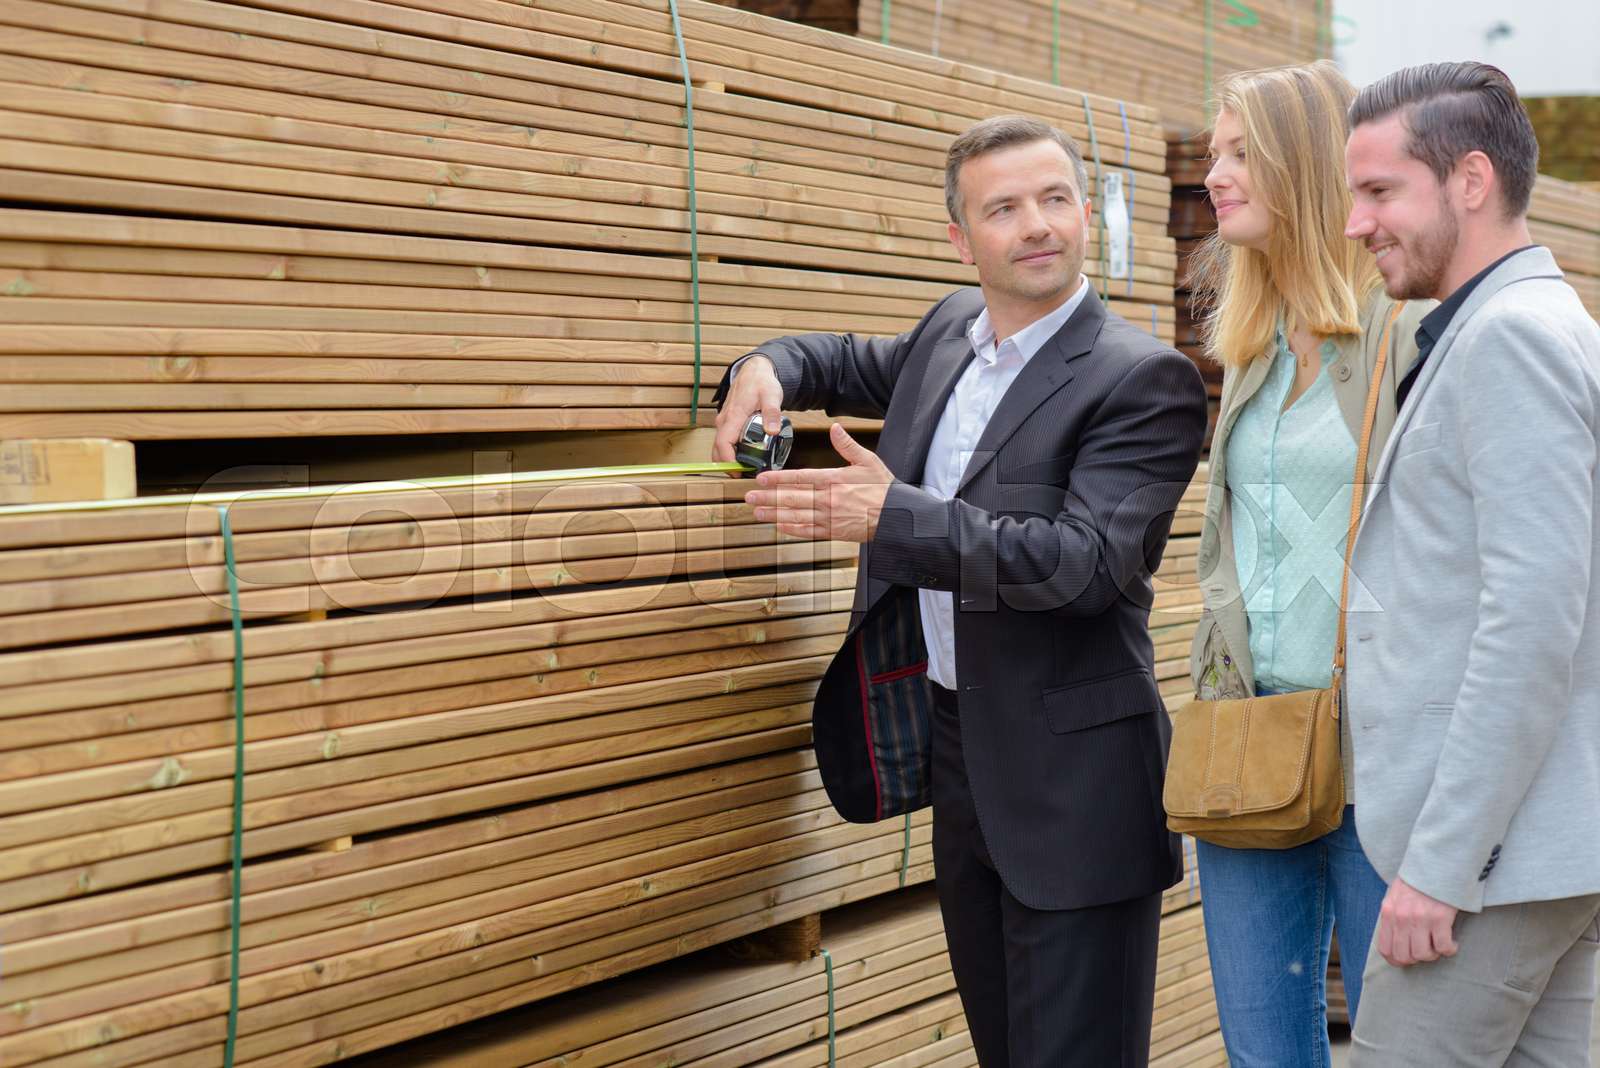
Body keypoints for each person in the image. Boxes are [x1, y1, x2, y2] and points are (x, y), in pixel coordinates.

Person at [711, 115, 1207, 1067]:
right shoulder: (950, 335)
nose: (1038, 226)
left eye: (1056, 199)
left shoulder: (1142, 379)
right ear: (960, 237)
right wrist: (765, 367)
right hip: (961, 758)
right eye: (1005, 208)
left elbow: (1084, 566)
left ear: (1084, 217)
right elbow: (838, 359)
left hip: (1076, 791)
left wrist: (890, 517)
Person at [1341, 61, 1600, 1065]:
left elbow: (1533, 621)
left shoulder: (1510, 339)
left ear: (1470, 182)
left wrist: (1442, 865)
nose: (1358, 224)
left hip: (1493, 864)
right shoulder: (1544, 323)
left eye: (1378, 192)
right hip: (1544, 851)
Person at [1183, 61, 1430, 1068]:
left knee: (1410, 1048)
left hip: (1384, 762)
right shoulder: (1248, 344)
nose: (1214, 174)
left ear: (1306, 166)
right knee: (1262, 1050)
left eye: (1240, 152)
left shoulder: (1406, 333)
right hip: (1251, 741)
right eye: (1210, 154)